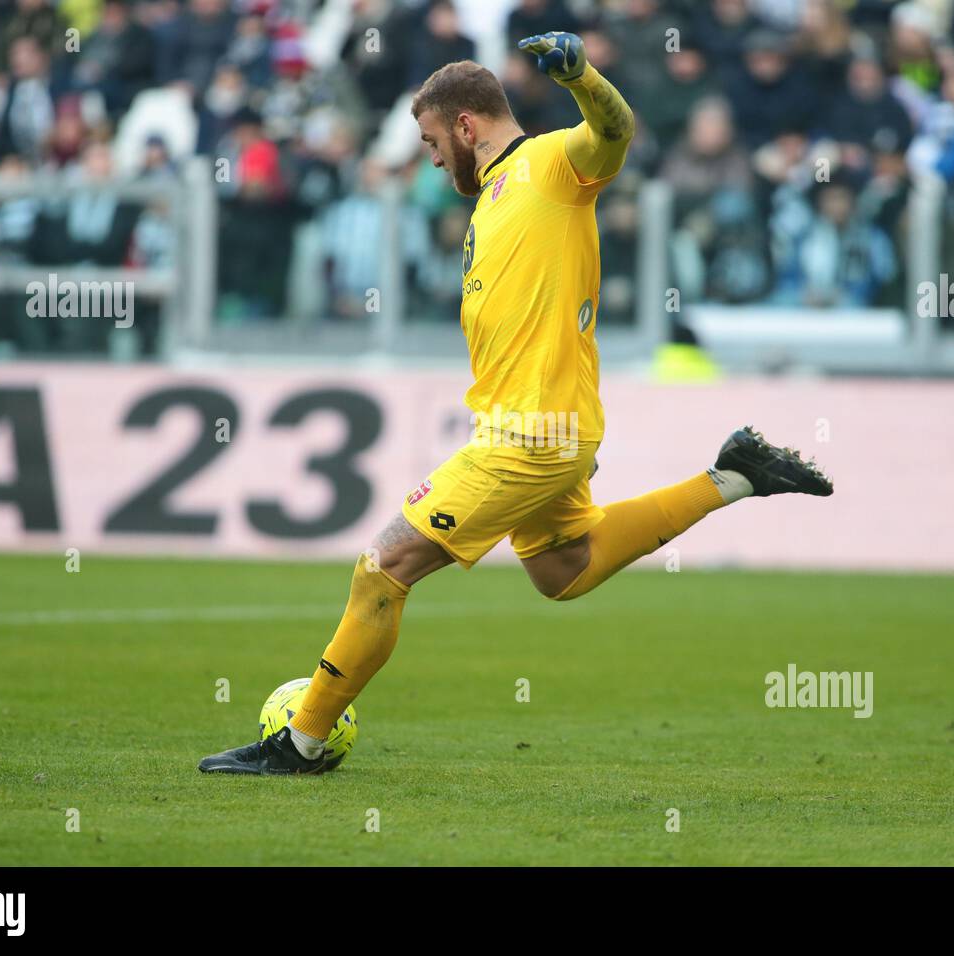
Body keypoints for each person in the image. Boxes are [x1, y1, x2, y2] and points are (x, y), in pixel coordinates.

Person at [199, 31, 834, 776]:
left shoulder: (549, 165)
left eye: (434, 140)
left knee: (384, 564)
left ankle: (301, 741)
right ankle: (733, 476)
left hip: (530, 434)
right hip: (546, 428)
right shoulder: (494, 202)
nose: (432, 157)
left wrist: (582, 76)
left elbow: (615, 131)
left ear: (466, 125)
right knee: (563, 567)